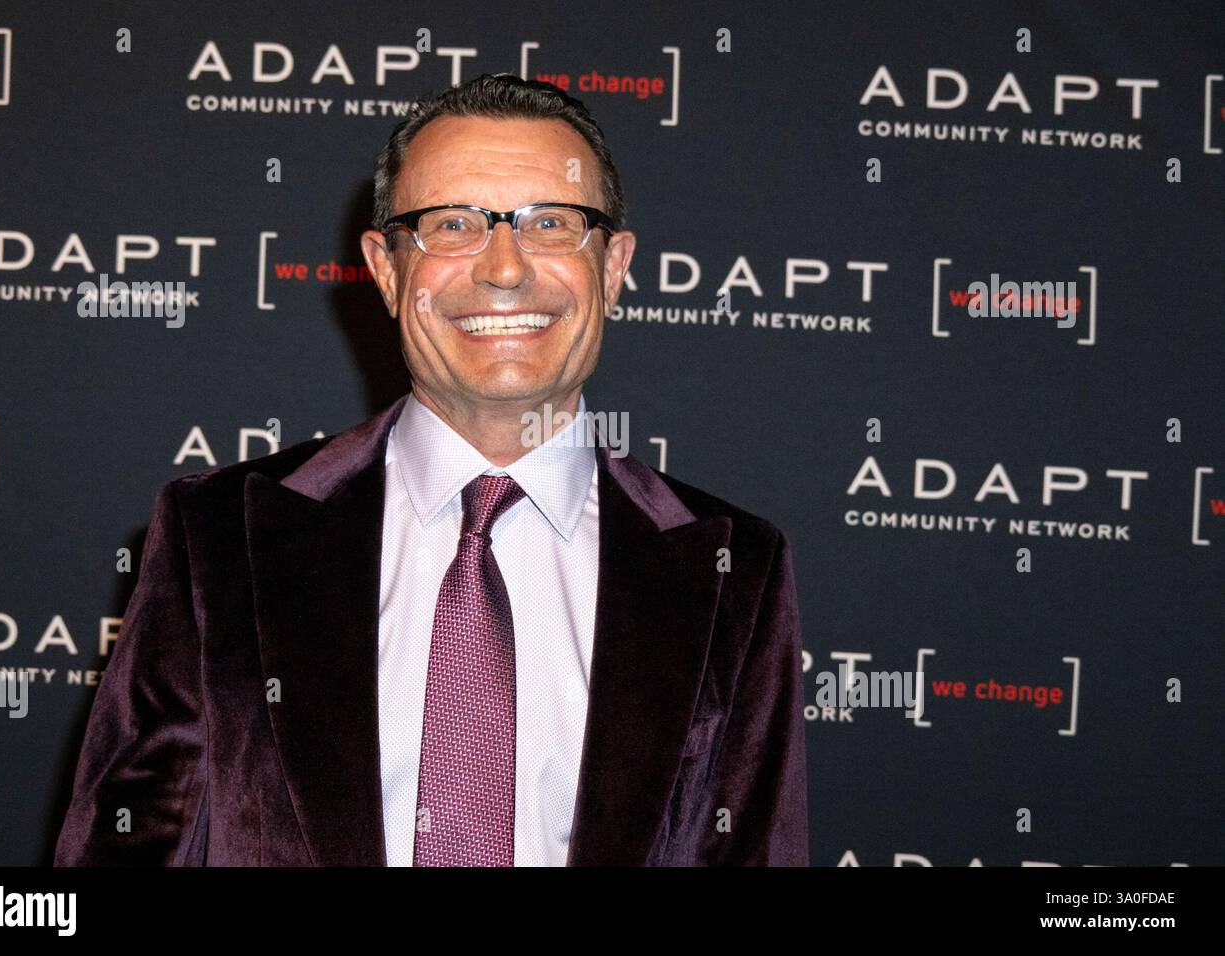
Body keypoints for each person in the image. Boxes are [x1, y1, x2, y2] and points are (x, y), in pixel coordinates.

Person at [54, 72, 807, 867]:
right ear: (385, 269)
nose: (505, 269)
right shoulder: (219, 537)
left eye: (551, 223)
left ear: (614, 266)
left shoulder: (734, 569)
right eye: (453, 224)